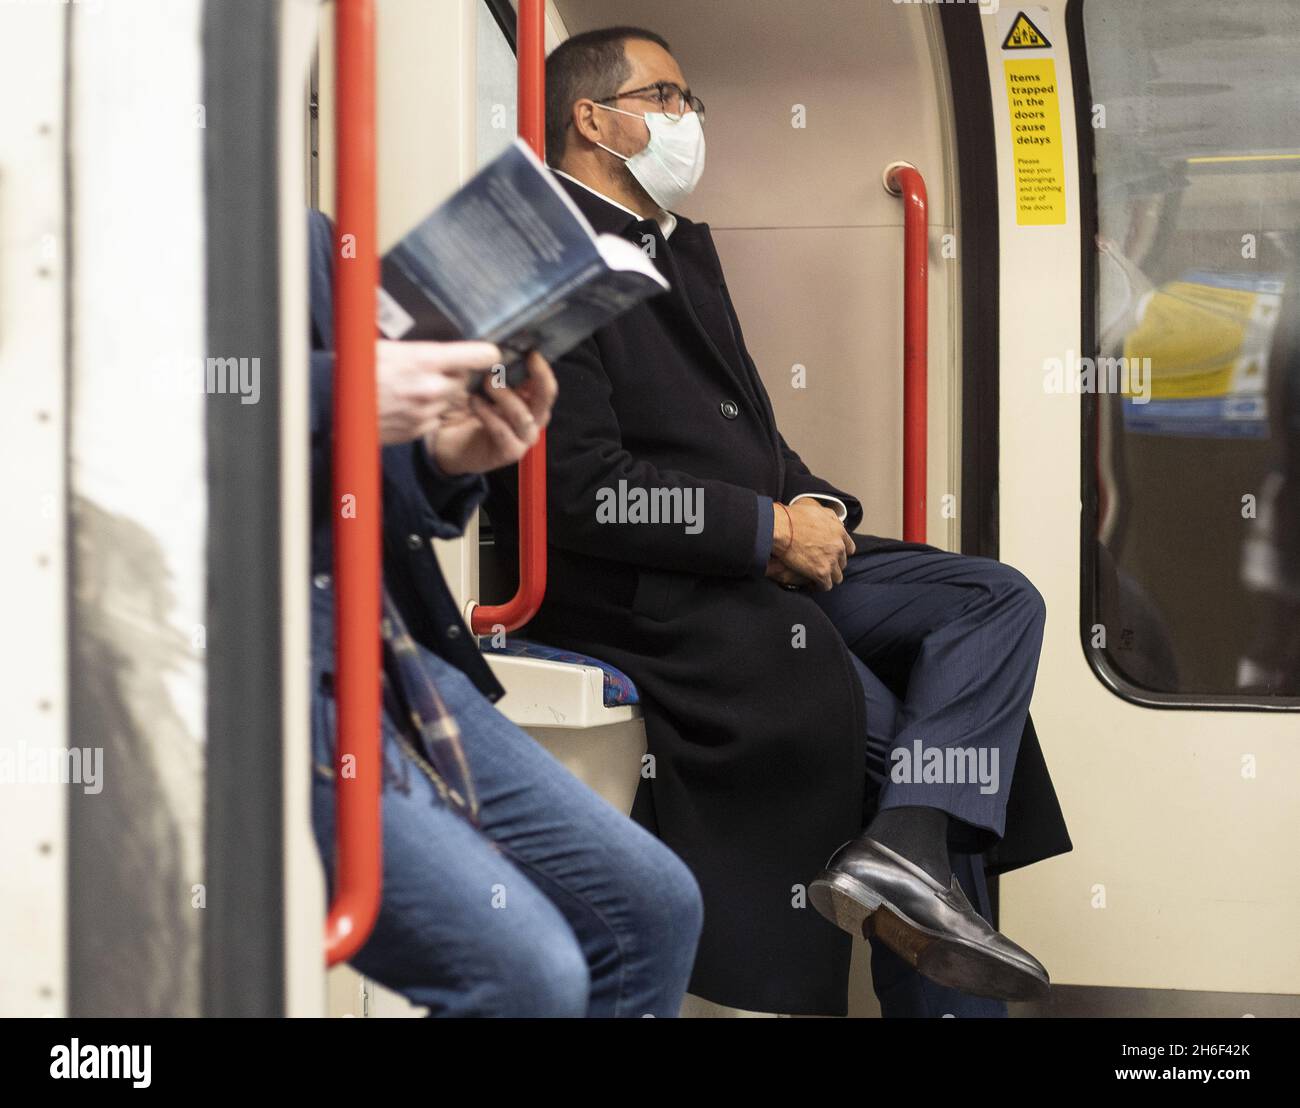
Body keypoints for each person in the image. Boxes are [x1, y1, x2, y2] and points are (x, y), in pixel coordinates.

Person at [486, 28, 1072, 1018]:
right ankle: (912, 862)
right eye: (667, 96)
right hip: (666, 590)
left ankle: (904, 851)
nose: (687, 119)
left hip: (753, 557)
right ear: (591, 118)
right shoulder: (541, 261)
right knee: (926, 768)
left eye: (686, 100)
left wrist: (810, 506)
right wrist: (764, 533)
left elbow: (747, 438)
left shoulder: (672, 249)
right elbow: (581, 488)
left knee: (993, 597)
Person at [306, 209, 703, 1017]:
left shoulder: (308, 238)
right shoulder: (110, 223)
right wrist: (331, 391)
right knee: (526, 972)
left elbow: (337, 473)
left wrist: (442, 459)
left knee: (653, 906)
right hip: (242, 666)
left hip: (378, 646)